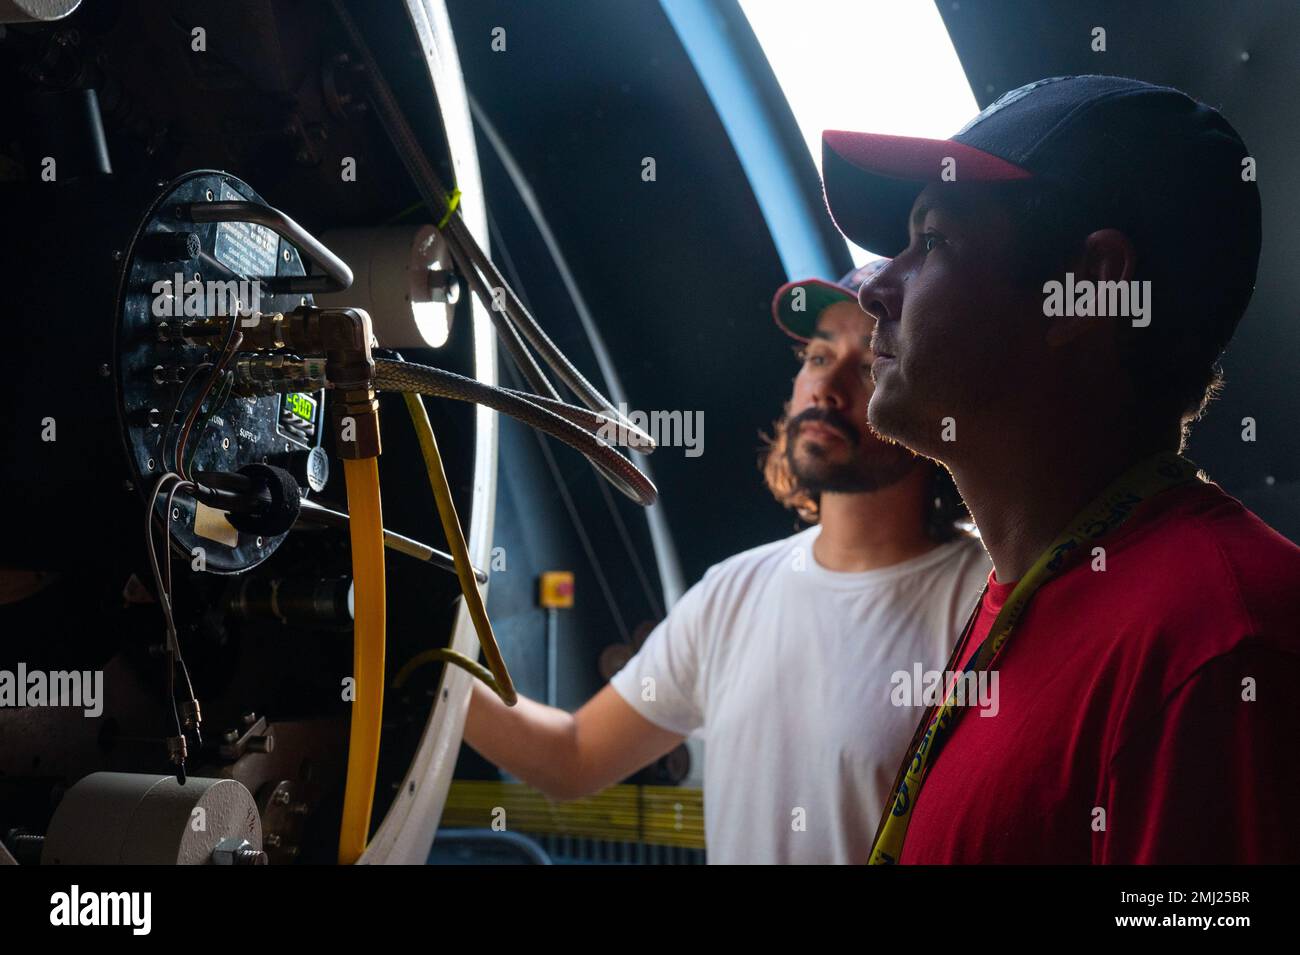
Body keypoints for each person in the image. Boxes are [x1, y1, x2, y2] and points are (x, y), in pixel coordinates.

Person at [821, 74, 1300, 863]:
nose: (873, 286)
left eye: (931, 241)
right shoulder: (1039, 592)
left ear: (1088, 287)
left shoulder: (1218, 644)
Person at [462, 262, 989, 863]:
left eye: (869, 366)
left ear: (933, 404)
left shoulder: (984, 604)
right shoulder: (732, 592)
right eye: (818, 357)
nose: (826, 388)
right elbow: (573, 758)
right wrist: (428, 655)